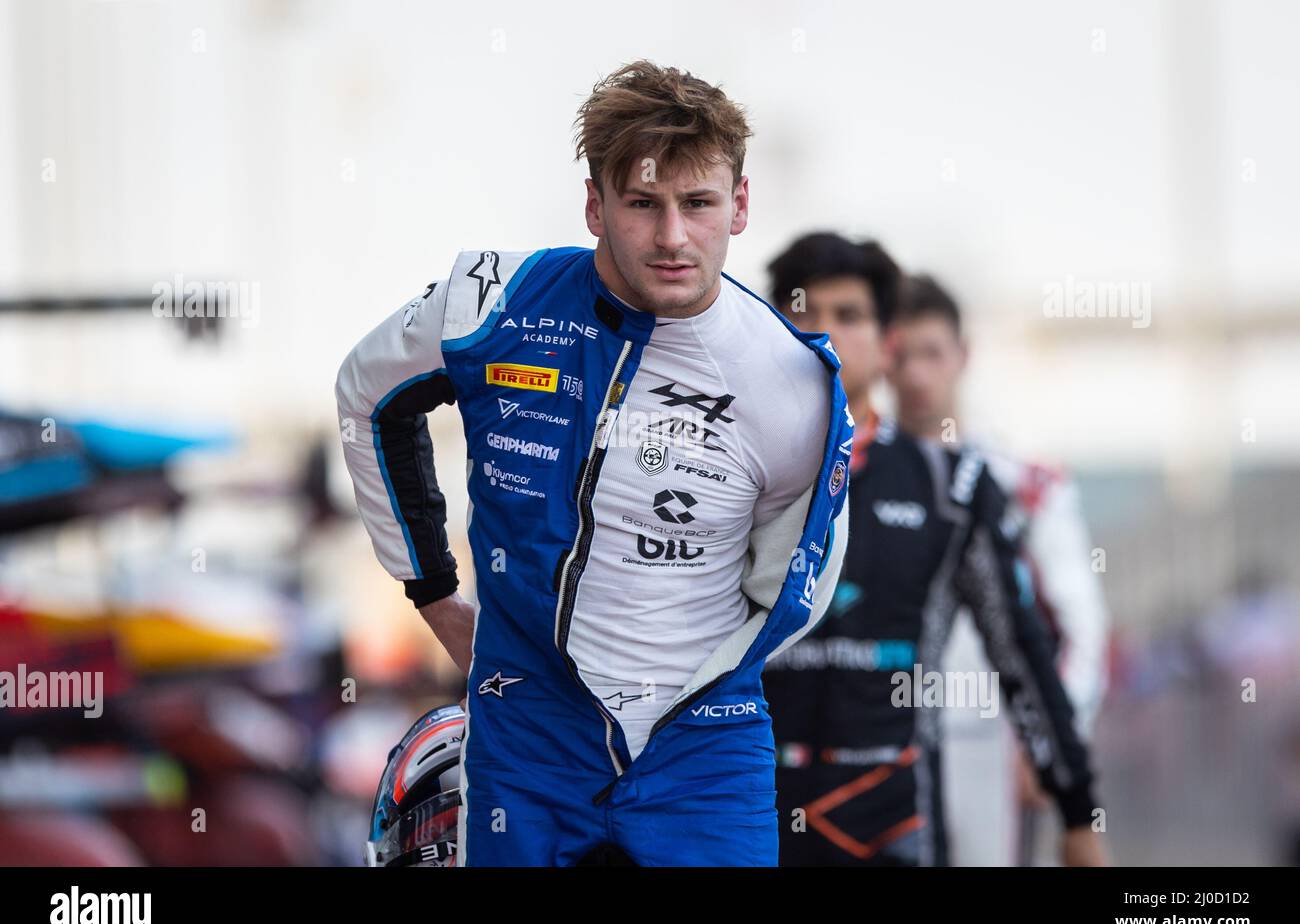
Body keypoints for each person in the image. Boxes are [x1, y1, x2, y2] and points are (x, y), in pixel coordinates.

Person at [333, 61, 853, 866]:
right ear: (595, 204)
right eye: (643, 204)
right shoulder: (490, 303)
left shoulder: (795, 385)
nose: (673, 237)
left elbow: (794, 591)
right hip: (527, 735)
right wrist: (435, 594)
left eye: (698, 204)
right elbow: (367, 396)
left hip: (706, 755)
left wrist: (691, 687)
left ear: (740, 207)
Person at [761, 233, 1107, 866]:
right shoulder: (728, 476)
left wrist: (1076, 809)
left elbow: (1021, 649)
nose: (824, 331)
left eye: (849, 315)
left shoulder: (955, 487)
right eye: (803, 312)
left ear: (886, 340)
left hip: (894, 825)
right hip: (747, 818)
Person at [886, 275, 1111, 866]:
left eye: (931, 353)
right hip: (889, 740)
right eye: (901, 355)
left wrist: (1054, 747)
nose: (915, 375)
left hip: (995, 741)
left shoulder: (1026, 486)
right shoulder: (852, 482)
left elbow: (1081, 626)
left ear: (963, 356)